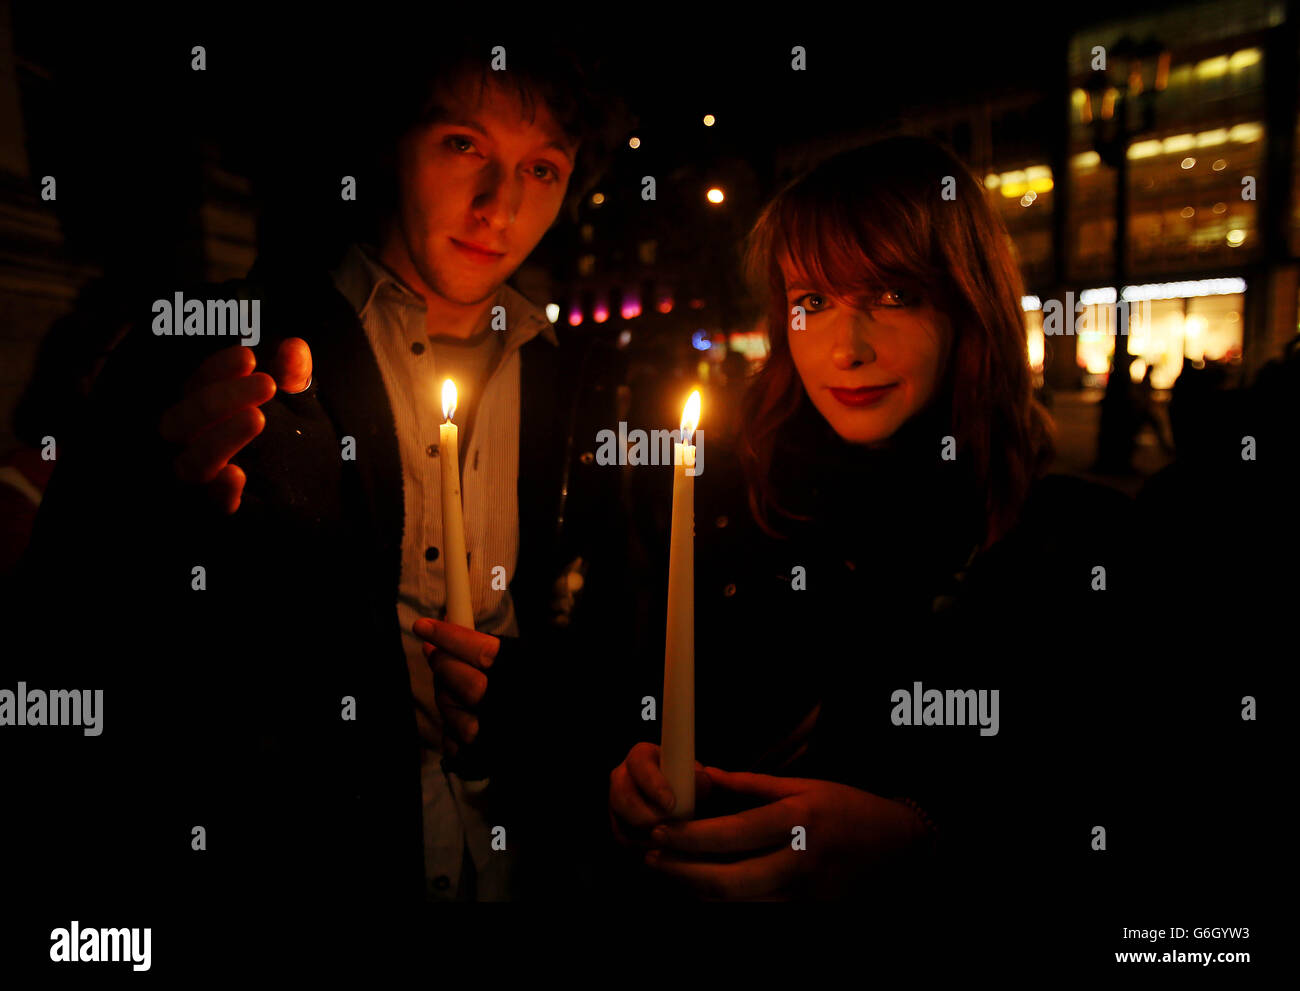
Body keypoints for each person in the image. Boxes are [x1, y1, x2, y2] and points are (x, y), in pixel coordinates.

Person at [10, 32, 633, 945]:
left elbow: (620, 650)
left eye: (541, 168)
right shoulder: (227, 347)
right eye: (463, 145)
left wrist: (541, 712)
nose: (499, 206)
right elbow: (62, 650)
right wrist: (148, 510)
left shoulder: (575, 381)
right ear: (393, 142)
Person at [603, 137, 1143, 918]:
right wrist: (628, 781)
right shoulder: (722, 510)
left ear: (968, 303)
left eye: (893, 296)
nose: (846, 349)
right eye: (811, 302)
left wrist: (924, 846)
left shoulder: (1076, 546)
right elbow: (635, 697)